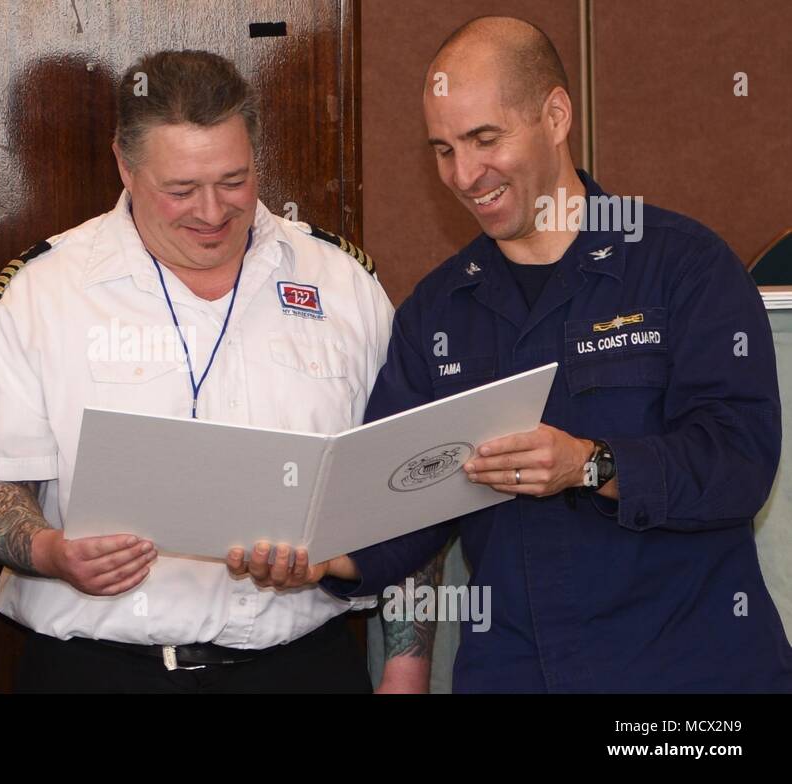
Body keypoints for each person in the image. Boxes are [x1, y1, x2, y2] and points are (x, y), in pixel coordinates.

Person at [311, 16, 792, 691]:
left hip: (687, 675)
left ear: (556, 115)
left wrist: (590, 464)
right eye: (443, 149)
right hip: (518, 672)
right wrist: (326, 559)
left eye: (484, 139)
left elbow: (740, 465)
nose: (464, 174)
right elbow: (402, 506)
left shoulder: (684, 267)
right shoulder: (438, 313)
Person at [0, 50, 436, 693]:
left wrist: (406, 668)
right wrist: (50, 552)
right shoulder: (42, 293)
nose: (211, 211)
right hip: (99, 671)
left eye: (233, 181)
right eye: (180, 190)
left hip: (300, 667)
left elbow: (406, 486)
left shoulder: (340, 283)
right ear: (124, 163)